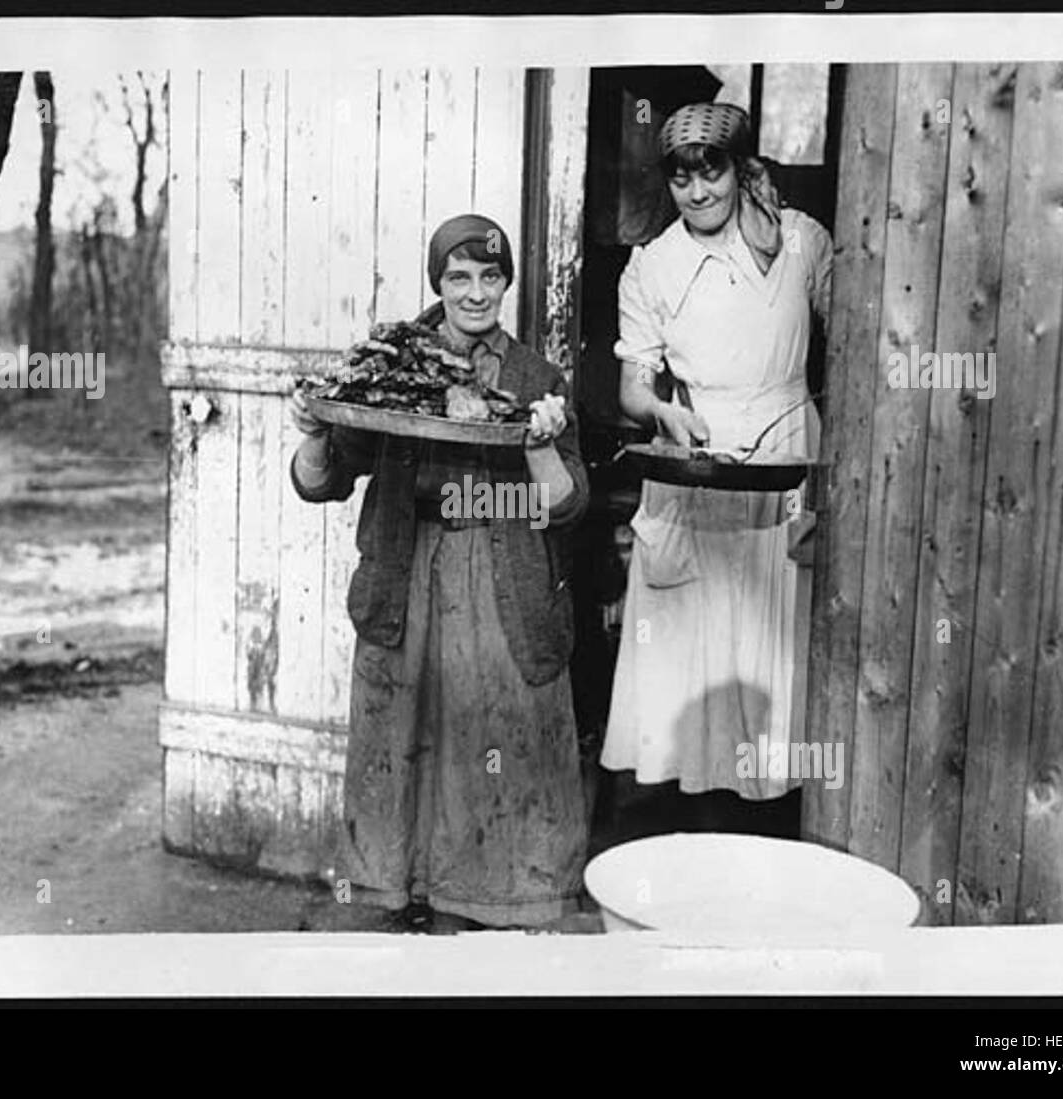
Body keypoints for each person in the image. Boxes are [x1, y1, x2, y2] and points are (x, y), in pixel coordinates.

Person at [289, 214, 590, 932]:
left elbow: (568, 503)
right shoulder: (396, 362)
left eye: (491, 277)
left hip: (499, 572)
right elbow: (320, 481)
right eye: (459, 277)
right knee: (400, 722)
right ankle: (395, 894)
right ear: (439, 283)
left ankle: (503, 898)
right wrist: (311, 430)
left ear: (507, 283)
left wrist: (541, 443)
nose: (476, 292)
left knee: (499, 727)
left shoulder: (535, 378)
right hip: (408, 564)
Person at [600, 102, 832, 830]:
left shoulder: (800, 241)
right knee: (684, 661)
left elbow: (853, 332)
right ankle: (683, 826)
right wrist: (663, 413)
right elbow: (632, 387)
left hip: (788, 454)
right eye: (680, 179)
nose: (698, 192)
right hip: (698, 464)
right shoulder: (653, 265)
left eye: (712, 172)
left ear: (739, 168)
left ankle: (771, 828)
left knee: (771, 651)